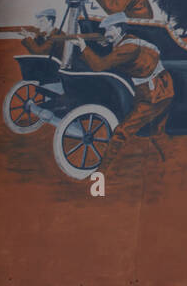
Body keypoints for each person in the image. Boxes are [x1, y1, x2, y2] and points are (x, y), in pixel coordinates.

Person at [69, 12, 173, 172]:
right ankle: (171, 164)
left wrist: (83, 47)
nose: (106, 34)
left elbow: (99, 66)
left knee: (121, 132)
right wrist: (109, 43)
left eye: (108, 30)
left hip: (155, 93)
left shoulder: (128, 47)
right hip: (158, 88)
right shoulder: (126, 40)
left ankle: (101, 171)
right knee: (156, 132)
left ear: (118, 29)